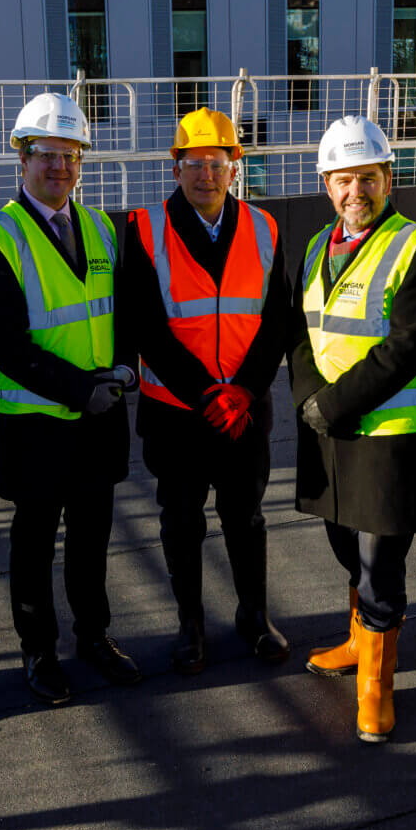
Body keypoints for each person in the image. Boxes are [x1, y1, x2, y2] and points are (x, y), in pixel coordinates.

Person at [0, 91, 141, 706]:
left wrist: (124, 368)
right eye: (46, 154)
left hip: (99, 418)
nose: (59, 167)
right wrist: (79, 390)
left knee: (92, 537)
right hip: (37, 422)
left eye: (70, 155)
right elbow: (9, 347)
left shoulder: (98, 227)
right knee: (34, 542)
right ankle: (38, 650)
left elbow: (120, 314)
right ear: (22, 157)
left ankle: (94, 636)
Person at [290, 116, 416, 743]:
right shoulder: (314, 247)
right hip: (328, 428)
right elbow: (300, 333)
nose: (355, 191)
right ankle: (360, 643)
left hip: (385, 436)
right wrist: (312, 399)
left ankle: (377, 687)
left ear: (389, 178)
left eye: (368, 178)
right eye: (343, 179)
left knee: (380, 562)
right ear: (327, 183)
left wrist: (335, 405)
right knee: (342, 547)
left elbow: (409, 345)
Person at [120, 108, 292, 675]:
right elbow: (143, 327)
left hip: (244, 412)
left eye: (216, 164)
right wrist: (206, 394)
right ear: (176, 168)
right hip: (177, 414)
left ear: (233, 166)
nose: (205, 175)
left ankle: (254, 614)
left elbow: (276, 320)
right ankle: (190, 624)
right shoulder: (144, 229)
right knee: (181, 520)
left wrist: (243, 390)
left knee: (246, 517)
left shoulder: (264, 228)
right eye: (193, 164)